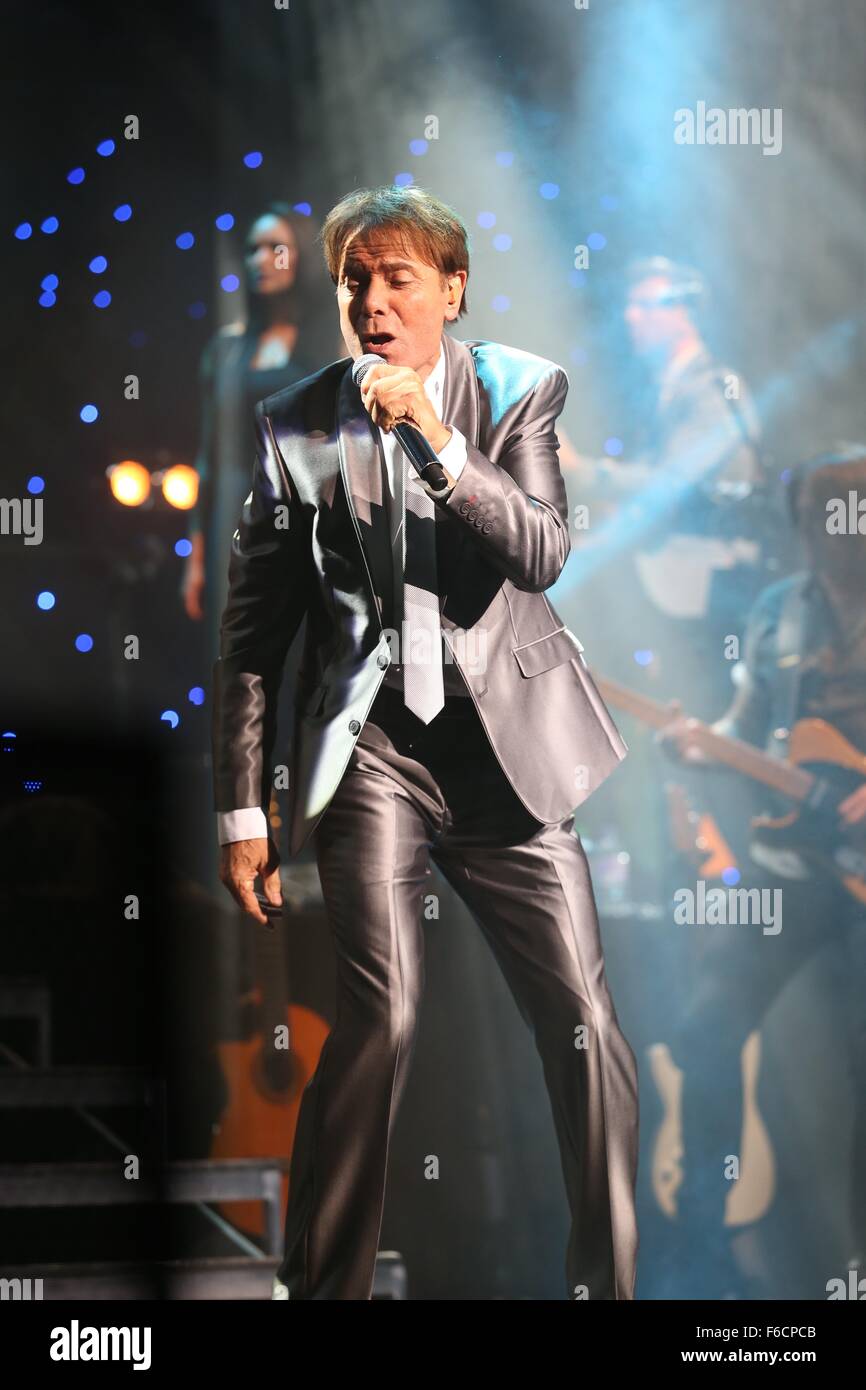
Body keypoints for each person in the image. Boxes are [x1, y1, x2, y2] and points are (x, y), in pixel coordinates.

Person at [210, 184, 639, 1300]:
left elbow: (541, 550)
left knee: (585, 1025)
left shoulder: (516, 388)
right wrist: (244, 809)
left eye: (398, 277)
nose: (372, 300)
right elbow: (253, 634)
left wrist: (437, 442)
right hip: (375, 753)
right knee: (378, 1016)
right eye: (355, 277)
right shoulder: (295, 421)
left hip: (508, 754)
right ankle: (323, 1293)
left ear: (451, 289)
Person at [657, 444, 866, 1295]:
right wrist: (701, 746)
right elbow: (747, 727)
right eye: (813, 520)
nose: (825, 536)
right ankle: (701, 1261)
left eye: (838, 517)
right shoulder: (781, 612)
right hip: (792, 872)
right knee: (706, 1028)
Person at [182, 202, 327, 649]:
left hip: (306, 516)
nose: (262, 259)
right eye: (253, 249)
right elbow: (208, 456)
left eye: (276, 248)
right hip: (234, 512)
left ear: (301, 255)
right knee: (237, 654)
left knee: (302, 653)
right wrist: (198, 553)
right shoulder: (226, 350)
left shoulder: (332, 344)